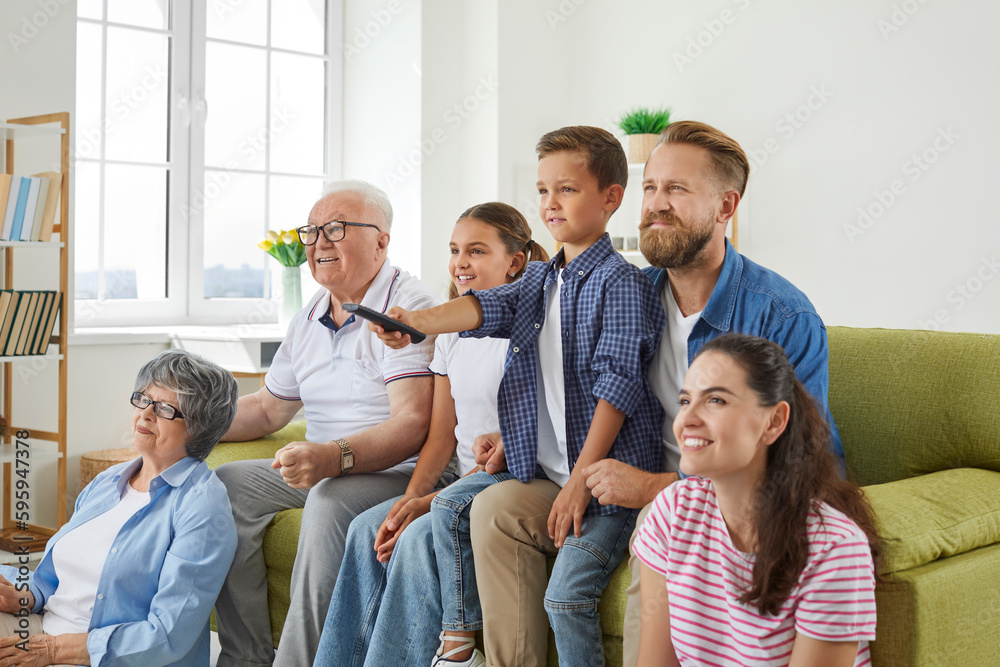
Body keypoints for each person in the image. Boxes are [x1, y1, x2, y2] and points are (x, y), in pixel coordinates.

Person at [468, 120, 846, 666]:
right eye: (650, 188)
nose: (655, 205)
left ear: (725, 207)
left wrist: (654, 486)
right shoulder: (626, 291)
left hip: (702, 495)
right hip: (609, 479)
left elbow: (809, 466)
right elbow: (579, 384)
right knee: (496, 509)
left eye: (677, 190)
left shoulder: (781, 315)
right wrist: (523, 433)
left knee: (663, 515)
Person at [371, 126, 665, 667]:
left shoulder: (620, 282)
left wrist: (581, 479)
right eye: (543, 190)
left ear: (611, 198)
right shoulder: (539, 281)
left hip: (605, 478)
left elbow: (618, 384)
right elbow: (483, 308)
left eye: (567, 189)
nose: (550, 203)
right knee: (478, 507)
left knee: (567, 596)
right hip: (548, 473)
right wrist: (415, 323)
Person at [212, 180, 440, 667]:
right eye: (312, 231)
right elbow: (268, 409)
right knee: (227, 484)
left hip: (398, 469)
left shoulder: (407, 306)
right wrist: (192, 425)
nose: (319, 242)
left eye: (336, 228)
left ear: (382, 240)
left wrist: (329, 457)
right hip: (324, 463)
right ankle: (246, 656)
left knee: (328, 497)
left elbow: (413, 423)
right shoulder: (308, 316)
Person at [313, 202, 549, 667]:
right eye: (455, 250)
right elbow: (442, 436)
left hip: (506, 479)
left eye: (477, 251)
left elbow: (530, 436)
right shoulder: (451, 336)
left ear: (515, 262)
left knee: (419, 538)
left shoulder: (533, 329)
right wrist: (410, 499)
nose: (460, 262)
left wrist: (427, 505)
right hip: (460, 479)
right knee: (369, 528)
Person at [634, 334, 879, 666]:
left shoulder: (836, 548)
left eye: (715, 400)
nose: (687, 420)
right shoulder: (672, 512)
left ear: (774, 421)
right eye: (685, 401)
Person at [0, 349, 239, 667]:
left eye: (165, 408)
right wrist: (23, 596)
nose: (146, 415)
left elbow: (167, 636)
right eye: (144, 399)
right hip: (44, 631)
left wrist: (54, 650)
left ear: (199, 427)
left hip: (98, 658)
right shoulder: (109, 480)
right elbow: (54, 580)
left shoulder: (203, 509)